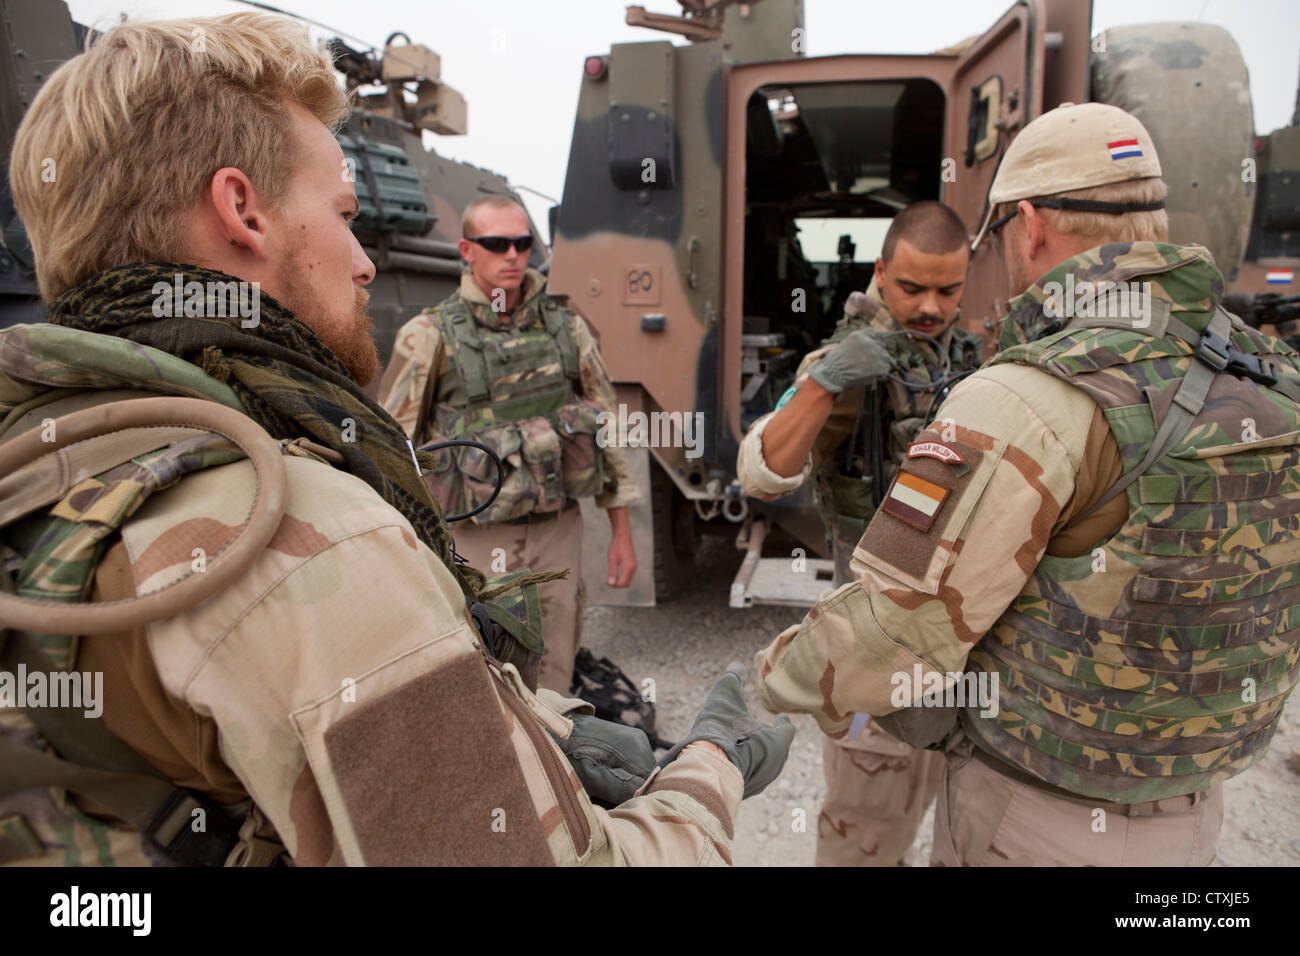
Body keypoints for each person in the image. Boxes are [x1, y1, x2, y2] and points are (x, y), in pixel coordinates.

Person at [0, 12, 791, 867]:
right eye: (344, 215)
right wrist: (710, 767)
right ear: (243, 211)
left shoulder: (46, 458)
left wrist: (538, 729)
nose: (366, 261)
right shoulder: (301, 535)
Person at [753, 102, 1300, 866]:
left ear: (1031, 225)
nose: (935, 307)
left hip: (1036, 814)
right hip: (1189, 814)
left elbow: (899, 628)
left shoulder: (1027, 393)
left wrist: (767, 686)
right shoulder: (1270, 371)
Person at [737, 201, 980, 866]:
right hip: (879, 648)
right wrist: (823, 381)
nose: (930, 306)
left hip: (969, 649)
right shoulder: (847, 362)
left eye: (948, 290)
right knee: (864, 840)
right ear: (880, 271)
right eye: (911, 288)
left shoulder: (973, 360)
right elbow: (761, 473)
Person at [379, 195, 637, 694]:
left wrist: (621, 534)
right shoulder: (429, 336)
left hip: (557, 531)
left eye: (522, 243)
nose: (513, 255)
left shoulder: (568, 328)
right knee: (478, 672)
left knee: (556, 669)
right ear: (466, 250)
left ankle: (558, 765)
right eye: (496, 244)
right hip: (473, 539)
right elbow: (394, 452)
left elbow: (608, 431)